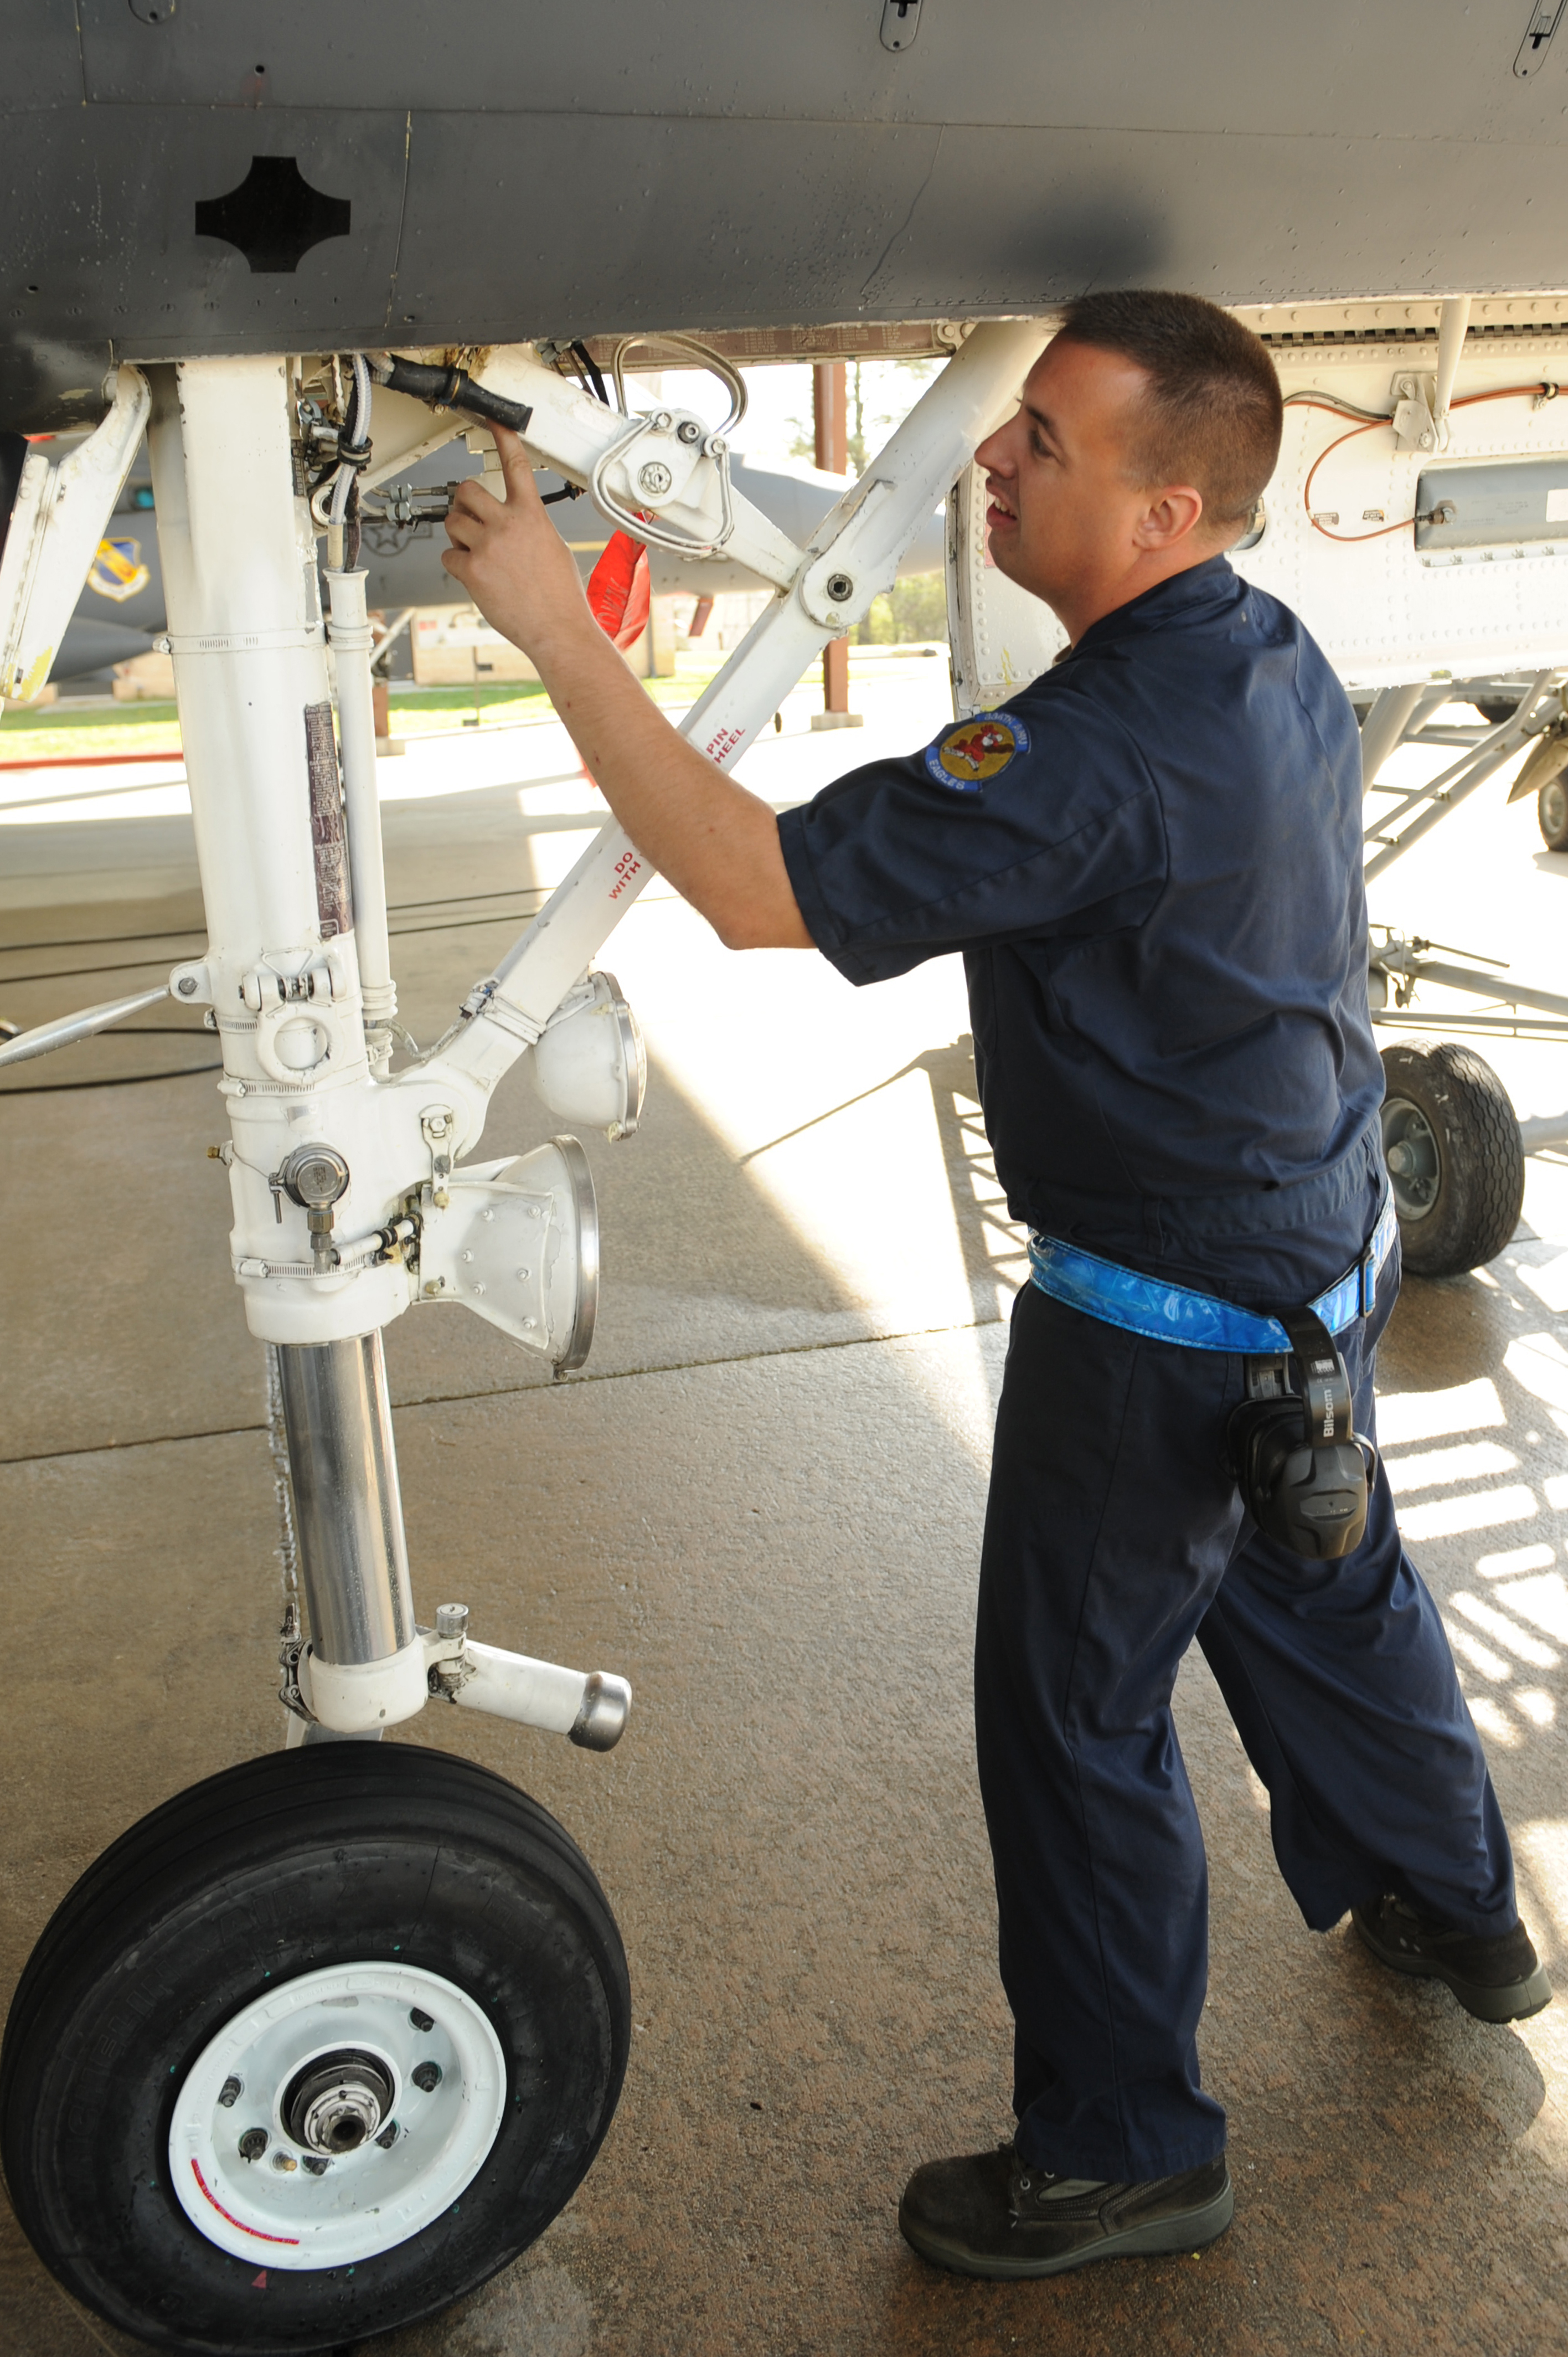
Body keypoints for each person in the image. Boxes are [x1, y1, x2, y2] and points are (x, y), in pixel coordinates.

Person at [442, 291, 1550, 2284]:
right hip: (1314, 1261)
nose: (996, 455)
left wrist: (550, 623)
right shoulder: (1268, 655)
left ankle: (1128, 2149)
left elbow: (756, 886)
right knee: (1332, 1597)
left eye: (1045, 437)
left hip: (1156, 1327)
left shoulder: (1091, 749)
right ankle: (1463, 1910)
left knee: (1075, 1718)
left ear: (1169, 505)